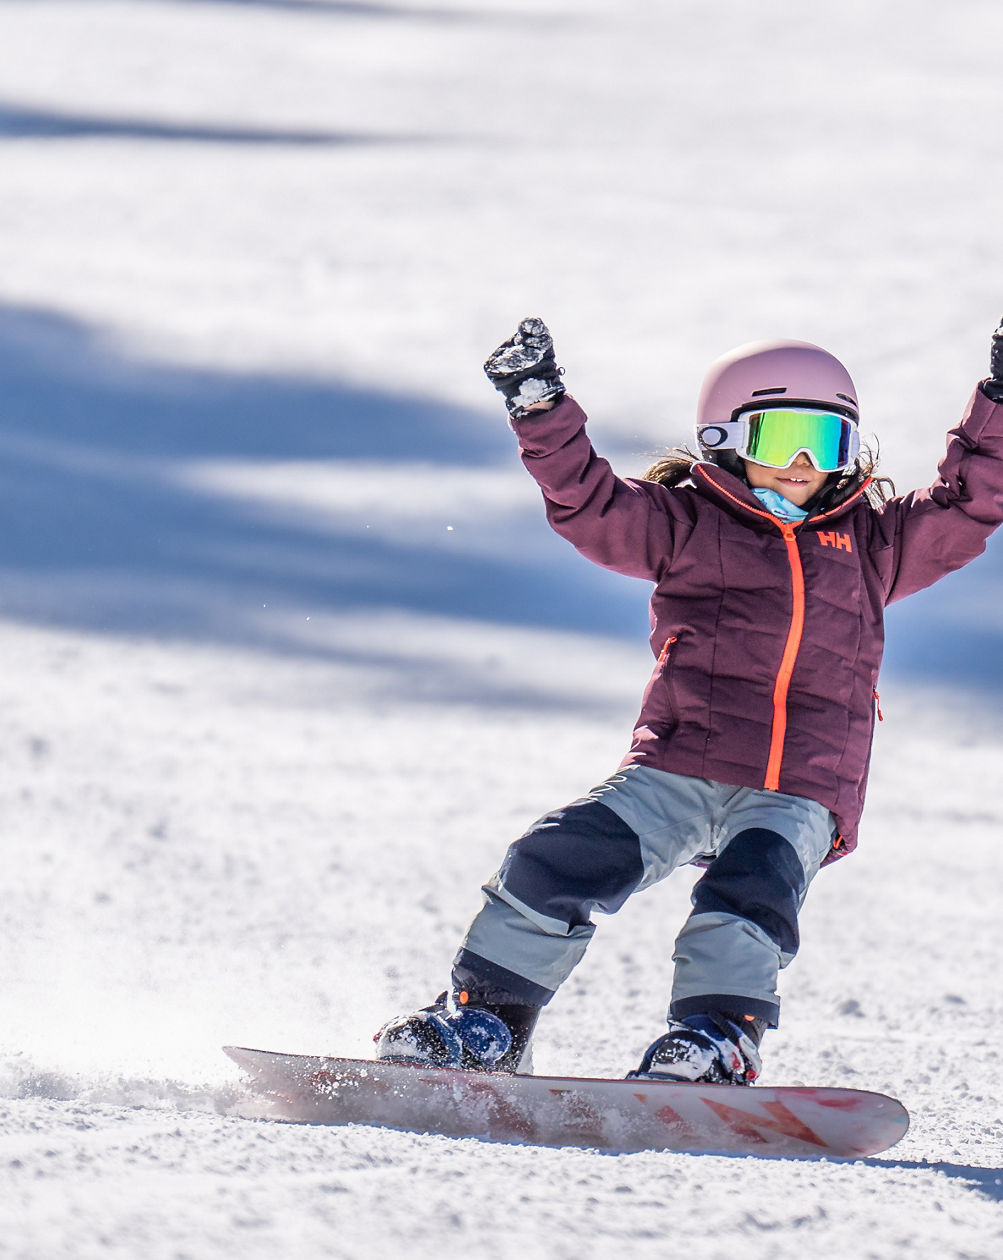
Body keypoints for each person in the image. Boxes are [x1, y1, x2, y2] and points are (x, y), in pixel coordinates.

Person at [374, 314, 1003, 1084]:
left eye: (827, 443)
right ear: (723, 439)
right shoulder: (684, 524)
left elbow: (967, 503)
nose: (803, 463)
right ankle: (486, 1020)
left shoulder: (875, 545)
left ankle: (715, 1038)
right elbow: (589, 503)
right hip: (680, 763)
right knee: (553, 858)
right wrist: (540, 410)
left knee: (745, 899)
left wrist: (998, 398)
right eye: (779, 440)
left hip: (796, 787)